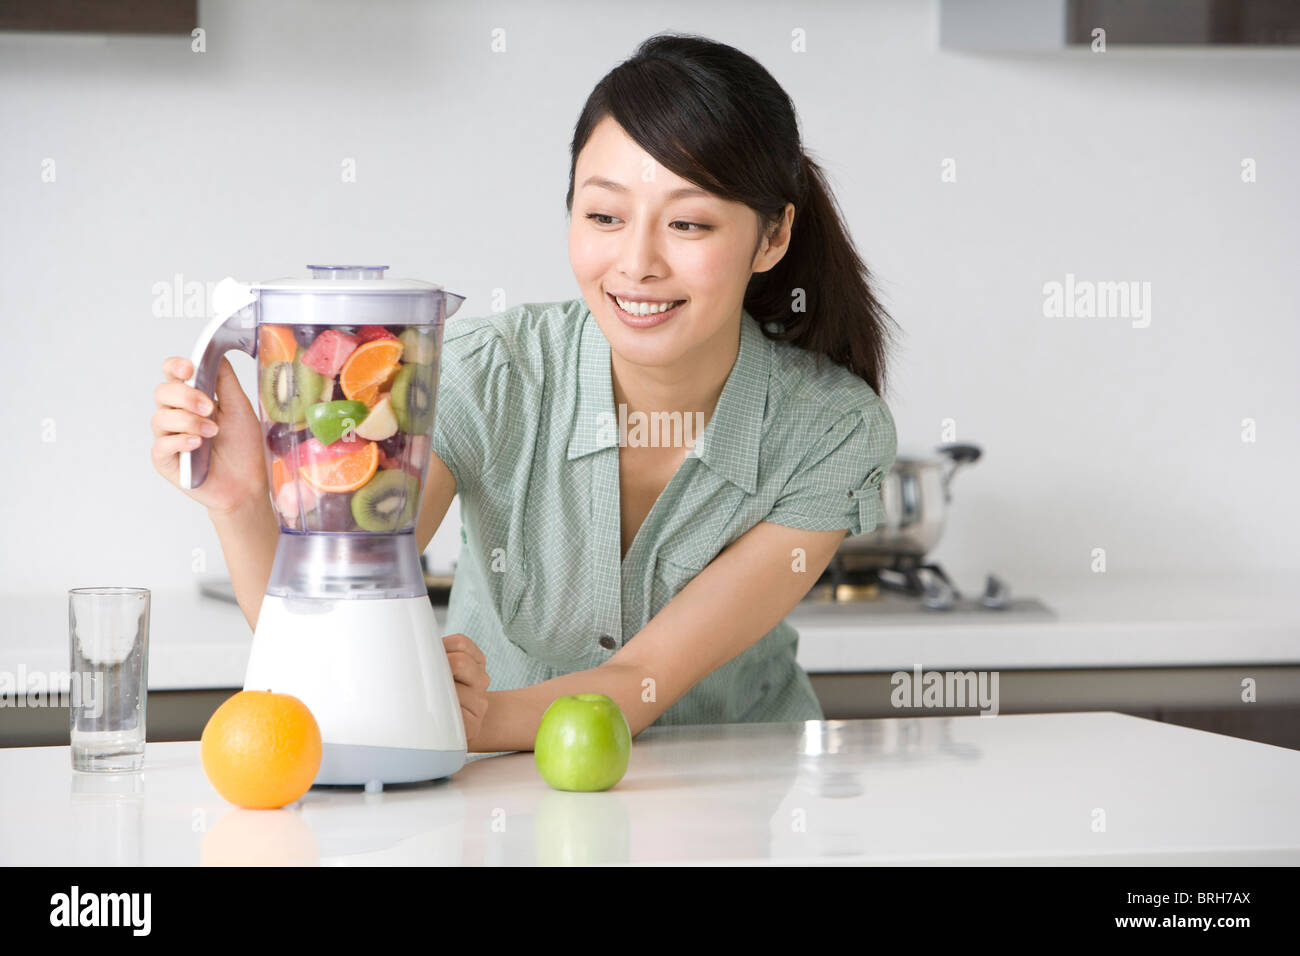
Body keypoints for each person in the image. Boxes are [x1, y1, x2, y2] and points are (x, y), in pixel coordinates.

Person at [151, 33, 900, 755]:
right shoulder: (485, 376)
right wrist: (245, 500)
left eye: (689, 223)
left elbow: (640, 678)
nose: (636, 264)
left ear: (772, 239)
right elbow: (330, 633)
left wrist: (450, 717)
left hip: (736, 802)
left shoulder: (830, 431)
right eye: (603, 216)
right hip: (505, 808)